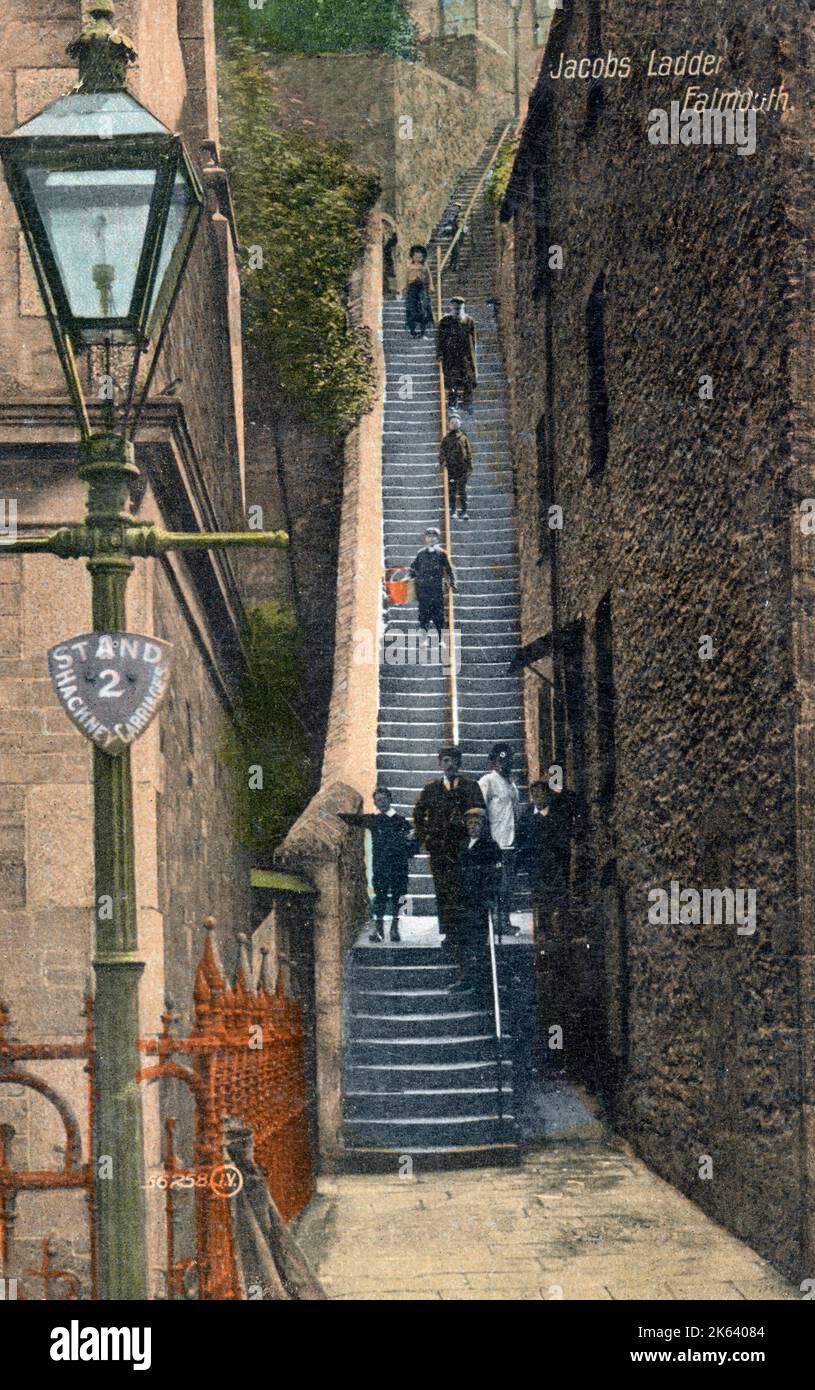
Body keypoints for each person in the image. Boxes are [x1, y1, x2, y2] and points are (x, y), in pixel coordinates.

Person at [413, 747, 485, 945]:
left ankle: (466, 931)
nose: (450, 764)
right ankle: (449, 933)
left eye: (454, 760)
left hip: (465, 848)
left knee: (466, 888)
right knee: (443, 890)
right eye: (445, 760)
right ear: (440, 764)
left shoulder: (471, 786)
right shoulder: (431, 788)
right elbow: (418, 814)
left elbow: (481, 813)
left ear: (459, 763)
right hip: (440, 849)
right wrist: (425, 838)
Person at [339, 787, 418, 942]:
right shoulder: (374, 820)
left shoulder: (401, 821)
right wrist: (337, 815)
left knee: (399, 897)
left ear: (390, 799)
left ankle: (395, 928)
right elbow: (355, 819)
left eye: (384, 799)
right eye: (378, 800)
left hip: (398, 867)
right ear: (374, 802)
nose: (381, 802)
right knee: (380, 897)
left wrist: (409, 846)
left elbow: (415, 842)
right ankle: (379, 929)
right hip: (381, 866)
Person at [450, 807, 501, 1001]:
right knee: (462, 943)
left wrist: (491, 897)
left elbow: (495, 875)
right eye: (470, 823)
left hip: (480, 902)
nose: (473, 827)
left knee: (479, 944)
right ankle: (465, 978)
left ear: (483, 826)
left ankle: (480, 984)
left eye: (477, 824)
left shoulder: (491, 846)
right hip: (463, 901)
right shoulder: (461, 845)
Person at [516, 778, 573, 943]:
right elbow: (520, 840)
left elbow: (563, 839)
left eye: (541, 793)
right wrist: (524, 862)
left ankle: (562, 931)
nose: (537, 797)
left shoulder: (557, 815)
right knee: (540, 898)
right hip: (535, 865)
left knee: (558, 897)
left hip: (555, 865)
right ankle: (543, 929)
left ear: (547, 795)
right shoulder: (526, 816)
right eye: (534, 794)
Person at [479, 743, 521, 937]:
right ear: (493, 762)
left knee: (508, 885)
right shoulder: (487, 781)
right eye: (500, 760)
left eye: (507, 760)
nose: (504, 764)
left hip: (511, 841)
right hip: (496, 841)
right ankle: (496, 921)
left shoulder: (512, 785)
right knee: (497, 884)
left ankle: (505, 919)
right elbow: (481, 811)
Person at [408, 527, 456, 637]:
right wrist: (406, 578)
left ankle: (440, 639)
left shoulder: (442, 554)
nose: (431, 539)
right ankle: (424, 638)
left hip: (436, 589)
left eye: (433, 537)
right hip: (423, 589)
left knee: (438, 614)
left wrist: (453, 582)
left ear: (437, 539)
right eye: (428, 537)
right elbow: (413, 569)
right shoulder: (420, 554)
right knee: (423, 614)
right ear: (425, 539)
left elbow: (450, 569)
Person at [437, 296, 477, 412]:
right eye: (455, 306)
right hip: (450, 355)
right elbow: (440, 339)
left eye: (460, 307)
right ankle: (452, 404)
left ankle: (468, 404)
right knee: (452, 380)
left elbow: (473, 339)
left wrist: (472, 354)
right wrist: (439, 353)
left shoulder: (469, 321)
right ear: (451, 307)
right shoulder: (445, 321)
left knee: (468, 380)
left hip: (465, 355)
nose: (457, 309)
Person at [439, 414, 473, 521]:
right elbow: (442, 453)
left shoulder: (463, 438)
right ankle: (453, 511)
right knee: (452, 491)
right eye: (452, 422)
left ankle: (464, 511)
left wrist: (469, 466)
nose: (454, 424)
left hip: (462, 468)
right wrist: (443, 463)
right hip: (451, 468)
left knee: (462, 490)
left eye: (456, 422)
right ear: (449, 425)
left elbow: (469, 452)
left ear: (459, 424)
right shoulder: (446, 439)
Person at [404, 243, 434, 338]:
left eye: (420, 256)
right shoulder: (409, 267)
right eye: (415, 256)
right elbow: (406, 278)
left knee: (423, 309)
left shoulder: (424, 267)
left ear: (423, 257)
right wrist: (405, 288)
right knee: (411, 309)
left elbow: (429, 278)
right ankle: (412, 330)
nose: (417, 258)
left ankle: (422, 331)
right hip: (412, 289)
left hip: (422, 289)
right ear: (412, 257)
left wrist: (430, 287)